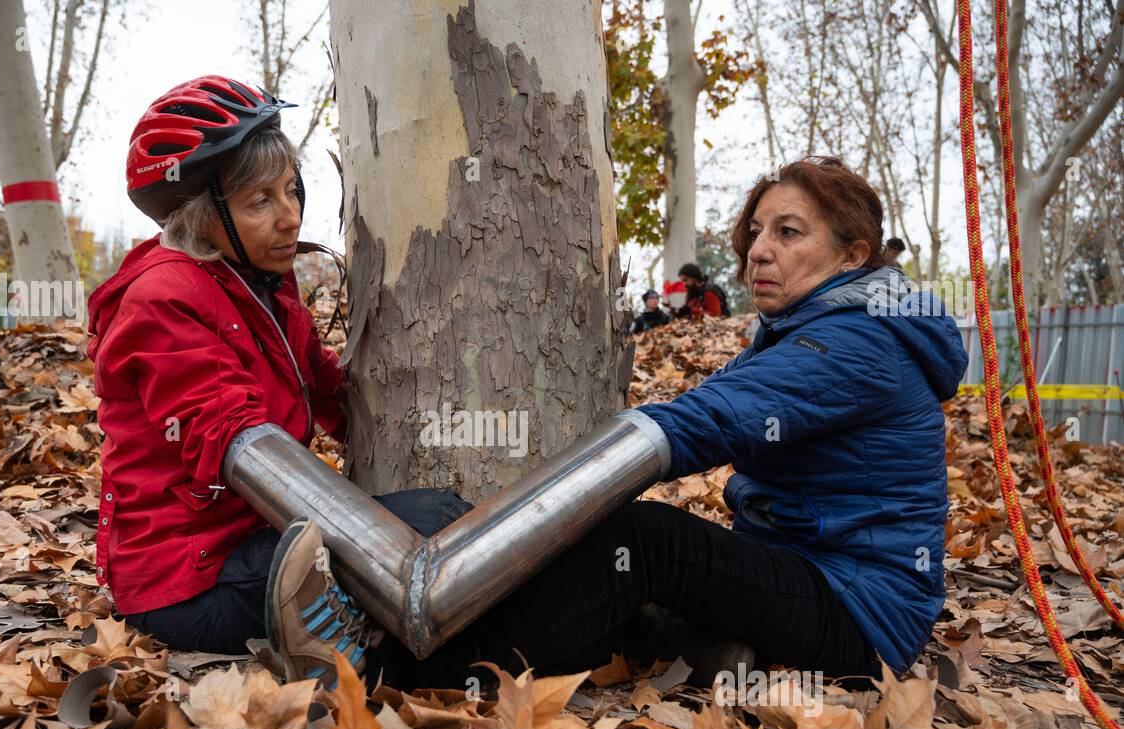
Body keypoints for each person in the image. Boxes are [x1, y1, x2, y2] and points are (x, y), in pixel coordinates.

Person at [268, 156, 968, 695]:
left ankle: (392, 674)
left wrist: (578, 488)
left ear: (852, 254)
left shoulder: (862, 342)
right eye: (755, 232)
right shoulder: (810, 327)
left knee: (648, 541)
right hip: (809, 576)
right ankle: (697, 651)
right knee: (615, 574)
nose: (758, 250)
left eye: (789, 233)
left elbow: (716, 417)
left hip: (861, 611)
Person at [86, 76, 472, 681]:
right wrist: (365, 532)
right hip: (187, 581)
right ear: (199, 214)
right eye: (259, 201)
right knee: (427, 522)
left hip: (251, 542)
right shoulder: (163, 296)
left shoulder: (263, 280)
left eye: (291, 191)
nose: (289, 217)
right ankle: (345, 658)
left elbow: (319, 383)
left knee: (432, 515)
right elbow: (230, 434)